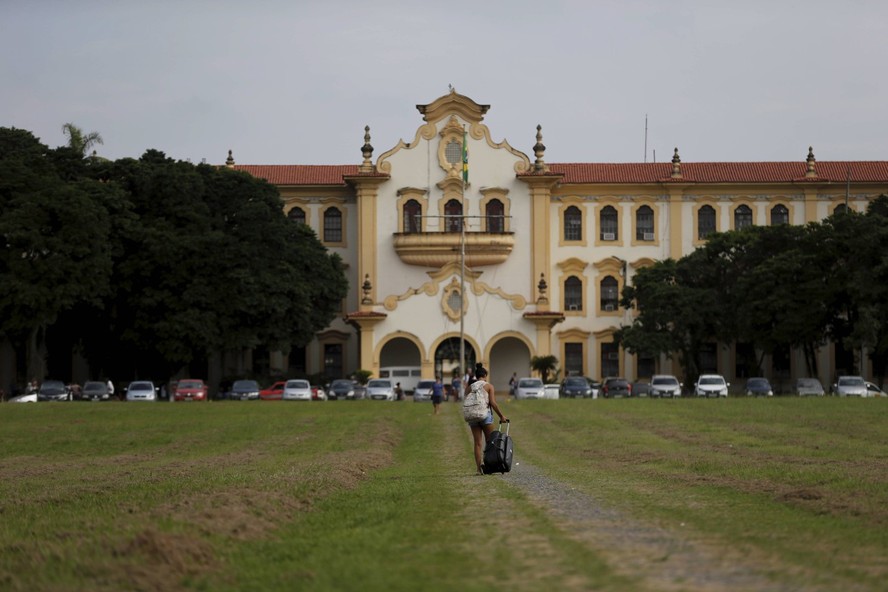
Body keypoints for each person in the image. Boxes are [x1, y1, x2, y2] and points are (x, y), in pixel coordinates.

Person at [465, 364, 507, 475]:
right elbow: (492, 403)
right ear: (485, 375)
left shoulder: (470, 387)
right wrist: (501, 416)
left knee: (477, 443)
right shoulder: (489, 386)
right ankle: (489, 466)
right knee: (490, 441)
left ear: (476, 376)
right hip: (485, 415)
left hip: (473, 416)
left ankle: (478, 469)